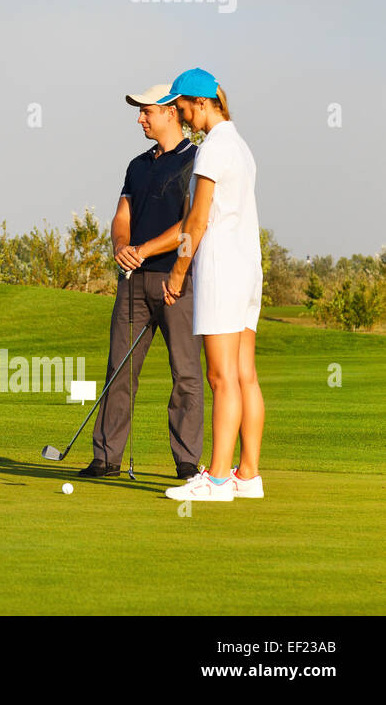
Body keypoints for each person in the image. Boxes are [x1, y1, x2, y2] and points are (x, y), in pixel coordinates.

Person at [139, 69, 264, 502]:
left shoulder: (213, 148)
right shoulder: (240, 146)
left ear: (200, 102)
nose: (180, 114)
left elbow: (197, 219)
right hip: (249, 270)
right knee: (245, 373)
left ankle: (215, 480)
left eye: (181, 106)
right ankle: (247, 475)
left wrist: (177, 272)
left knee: (220, 375)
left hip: (223, 271)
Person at [81, 85, 204, 481]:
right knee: (119, 370)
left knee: (185, 373)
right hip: (132, 281)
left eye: (146, 112)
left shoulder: (197, 161)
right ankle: (106, 458)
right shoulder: (137, 164)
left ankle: (187, 462)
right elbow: (123, 213)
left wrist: (145, 249)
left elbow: (191, 224)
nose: (140, 119)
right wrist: (121, 245)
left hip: (176, 281)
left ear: (170, 112)